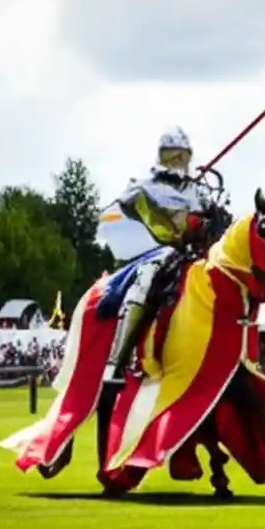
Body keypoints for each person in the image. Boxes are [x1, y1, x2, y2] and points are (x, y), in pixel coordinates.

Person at [103, 127, 220, 377]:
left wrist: (210, 217)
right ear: (163, 156)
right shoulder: (145, 185)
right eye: (173, 155)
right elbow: (125, 205)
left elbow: (213, 225)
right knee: (145, 281)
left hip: (194, 254)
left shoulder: (197, 191)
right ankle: (117, 362)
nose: (179, 161)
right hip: (154, 251)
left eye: (183, 155)